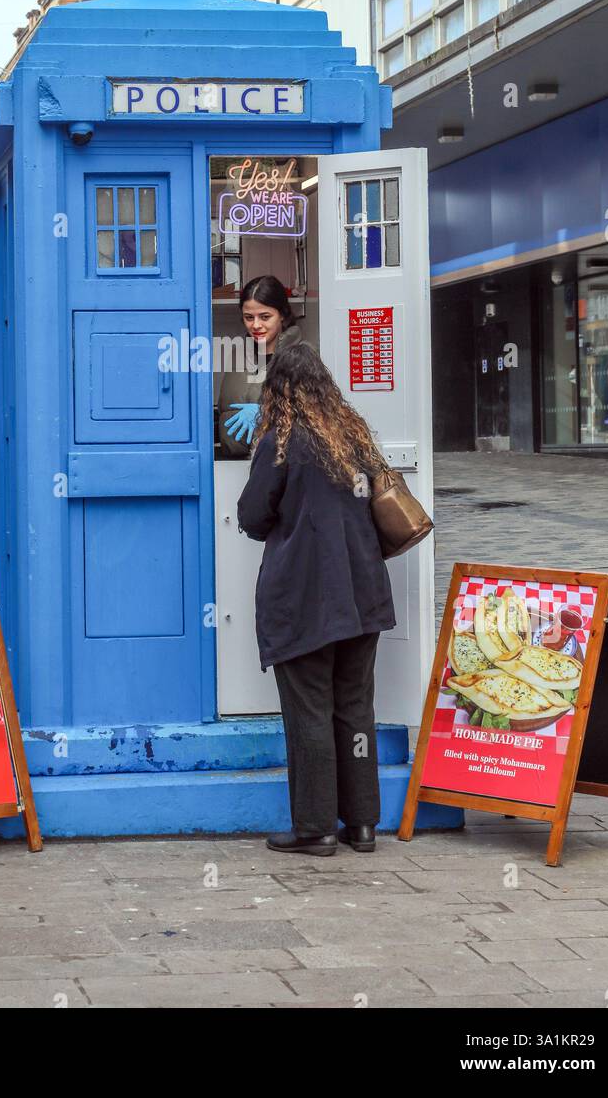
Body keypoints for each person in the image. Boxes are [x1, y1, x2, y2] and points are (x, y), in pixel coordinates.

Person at [237, 342, 396, 858]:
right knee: (354, 710)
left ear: (276, 389)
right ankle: (363, 824)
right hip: (362, 594)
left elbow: (253, 516)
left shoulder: (281, 442)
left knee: (309, 712)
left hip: (306, 599)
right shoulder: (352, 436)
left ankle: (315, 828)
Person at [217, 274, 302, 459]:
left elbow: (316, 417)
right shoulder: (240, 354)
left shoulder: (301, 357)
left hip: (281, 467)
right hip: (235, 464)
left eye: (265, 317)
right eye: (249, 317)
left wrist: (265, 412)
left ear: (282, 315)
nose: (256, 325)